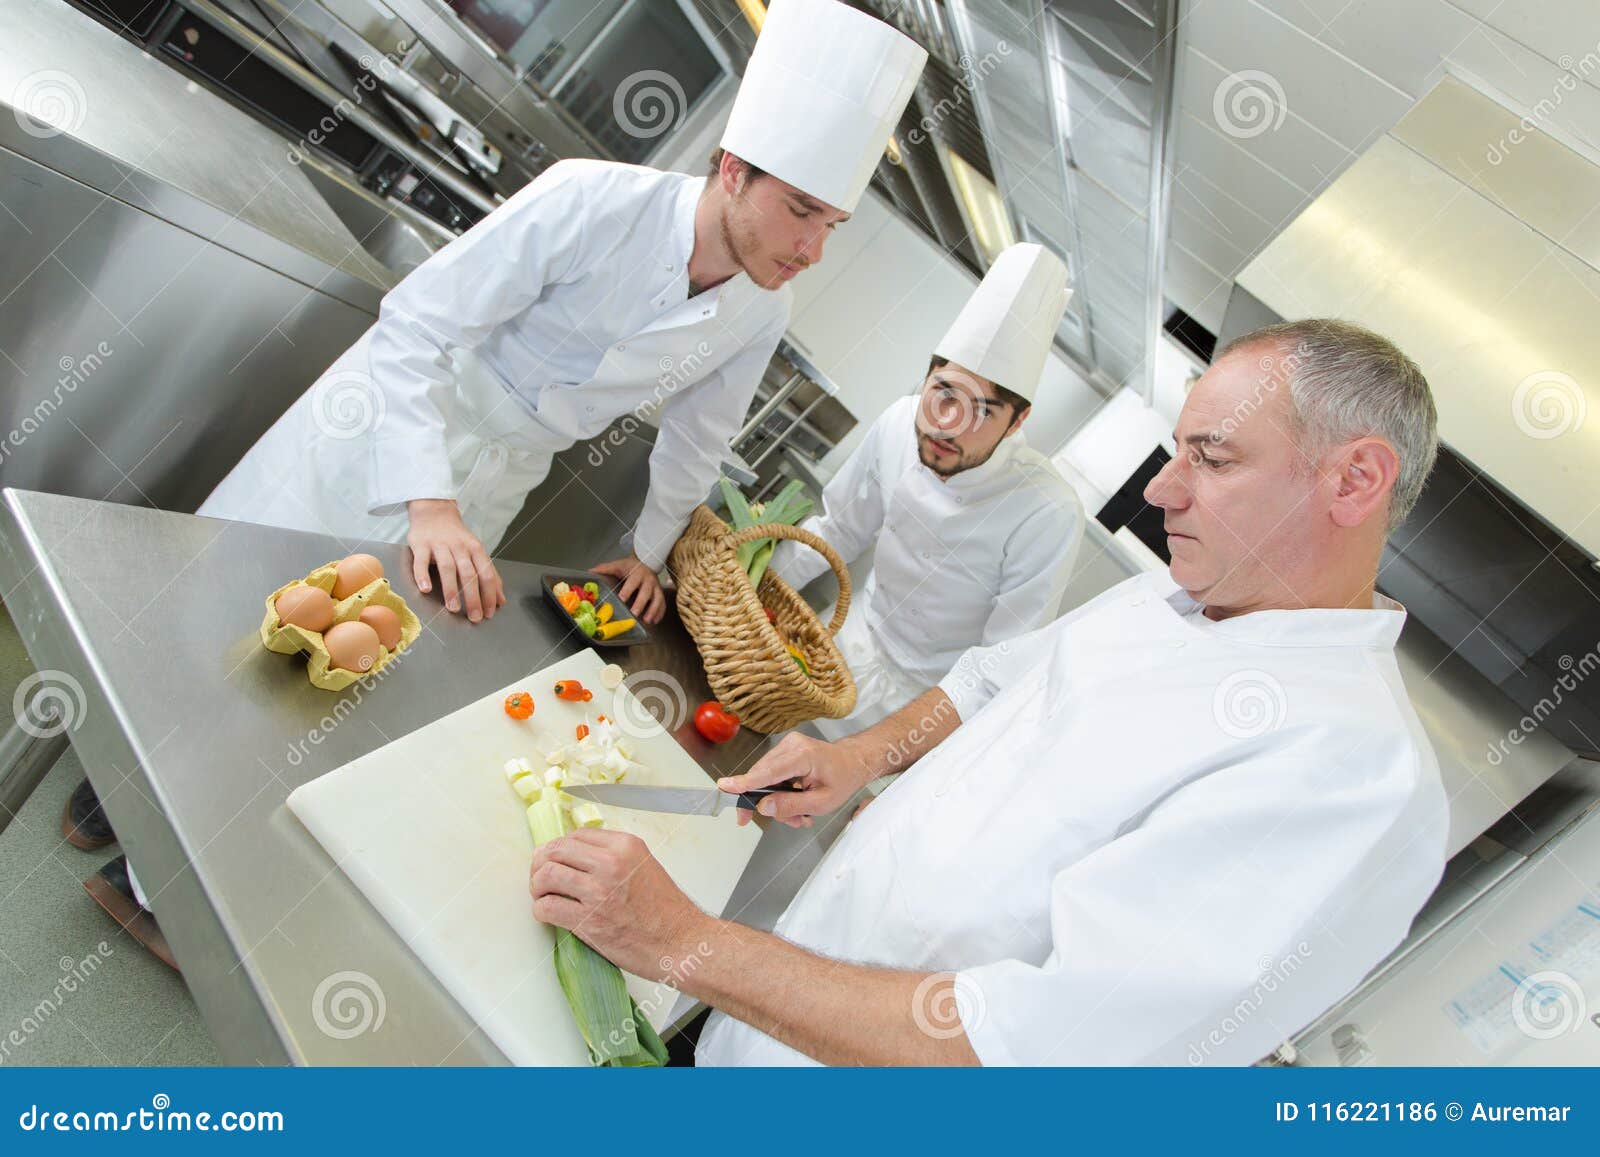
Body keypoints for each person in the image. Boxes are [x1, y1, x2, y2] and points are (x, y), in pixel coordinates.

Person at [71, 0, 928, 967]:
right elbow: (417, 324)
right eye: (802, 210)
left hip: (500, 477)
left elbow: (699, 437)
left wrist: (648, 553)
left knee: (333, 667)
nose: (813, 247)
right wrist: (428, 499)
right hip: (395, 428)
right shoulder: (589, 200)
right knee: (230, 607)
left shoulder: (756, 313)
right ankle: (108, 784)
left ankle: (166, 876)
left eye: (834, 224)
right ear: (734, 169)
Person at [526, 318, 1450, 1065]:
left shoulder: (1352, 770)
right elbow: (990, 677)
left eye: (1211, 457)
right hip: (762, 1031)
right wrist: (858, 756)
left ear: (1354, 479)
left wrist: (683, 942)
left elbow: (1025, 1052)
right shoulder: (1168, 598)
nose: (1163, 488)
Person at [769, 244, 1083, 741]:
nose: (948, 424)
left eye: (983, 410)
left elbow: (999, 664)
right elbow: (836, 529)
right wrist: (749, 590)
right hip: (826, 651)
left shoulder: (1046, 512)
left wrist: (896, 764)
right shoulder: (899, 422)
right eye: (944, 392)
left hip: (918, 714)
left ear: (1017, 422)